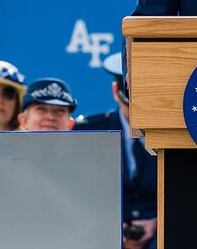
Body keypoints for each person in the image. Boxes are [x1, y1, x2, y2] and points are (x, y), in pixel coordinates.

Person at [74, 53, 157, 249]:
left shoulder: (173, 137)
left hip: (162, 233)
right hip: (101, 232)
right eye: (130, 99)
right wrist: (108, 225)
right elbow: (76, 193)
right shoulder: (89, 132)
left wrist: (156, 223)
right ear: (115, 91)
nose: (136, 113)